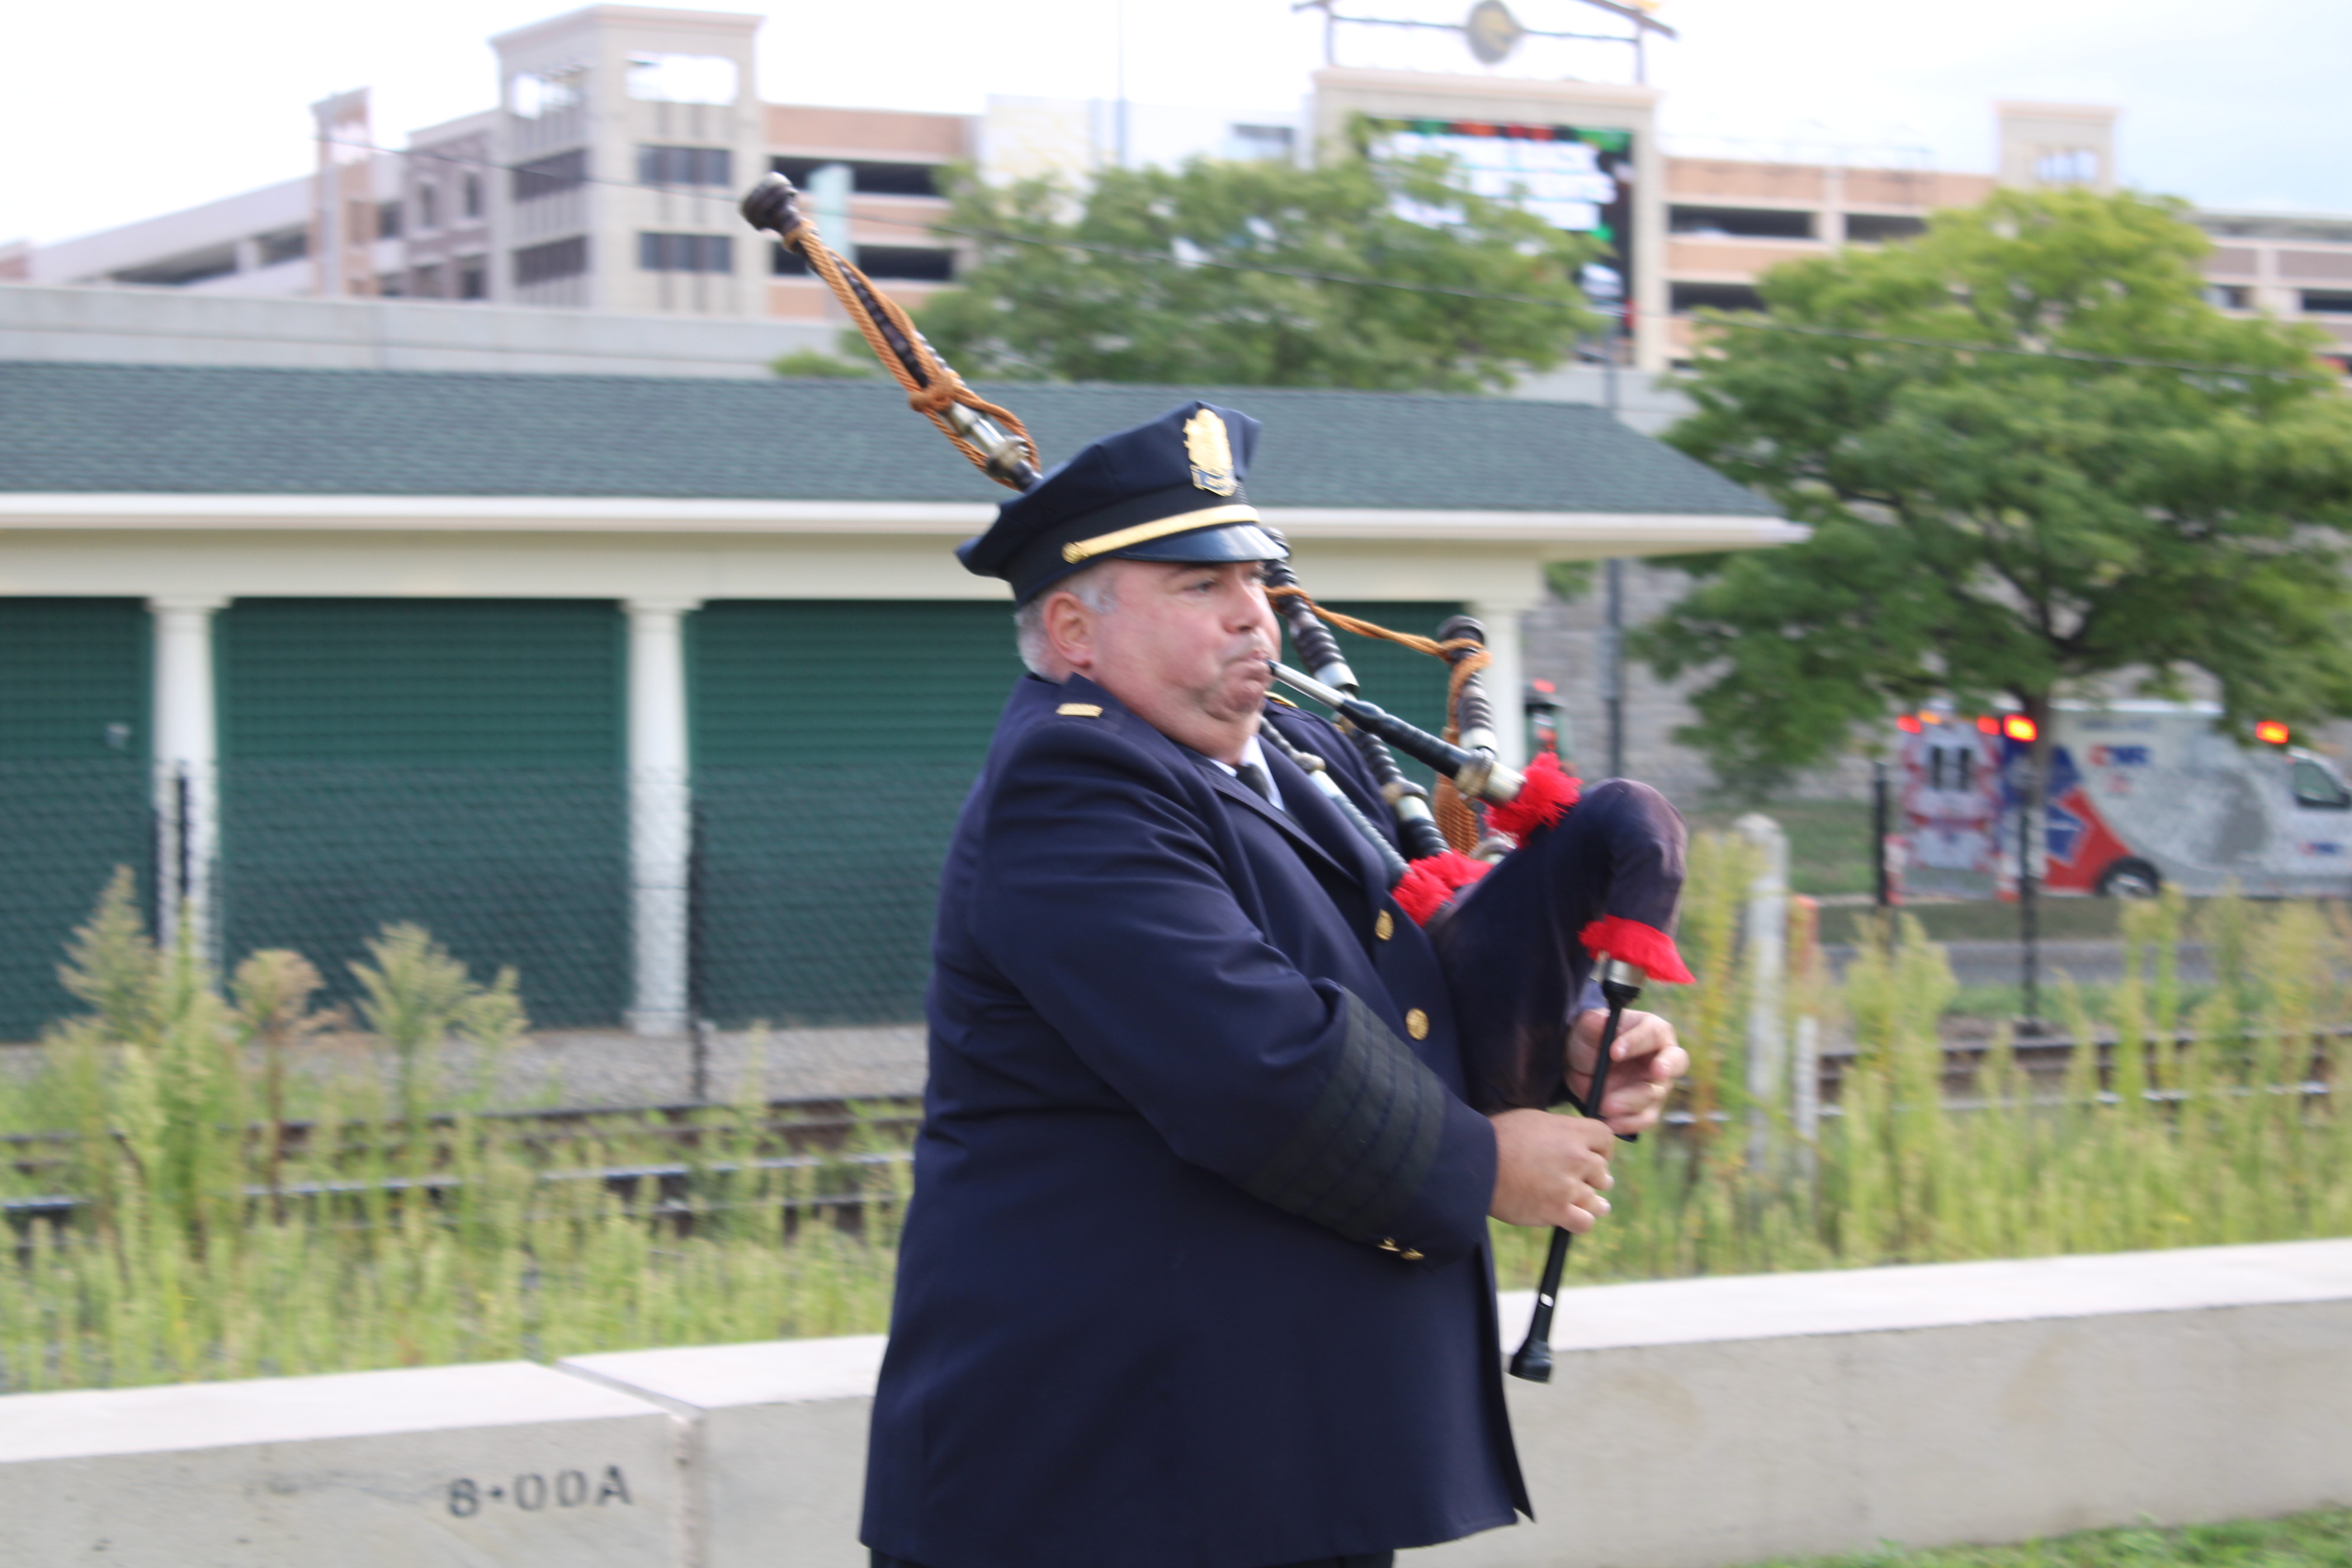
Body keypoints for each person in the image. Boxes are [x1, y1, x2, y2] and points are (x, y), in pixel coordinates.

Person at [861, 401, 1690, 1568]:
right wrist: (1483, 1163)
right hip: (1108, 1472)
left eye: (1253, 574)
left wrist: (1566, 1032)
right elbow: (1253, 1059)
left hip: (1264, 1451)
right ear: (1072, 628)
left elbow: (1414, 970)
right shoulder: (1075, 779)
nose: (1254, 611)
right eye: (1200, 584)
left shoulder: (1300, 757)